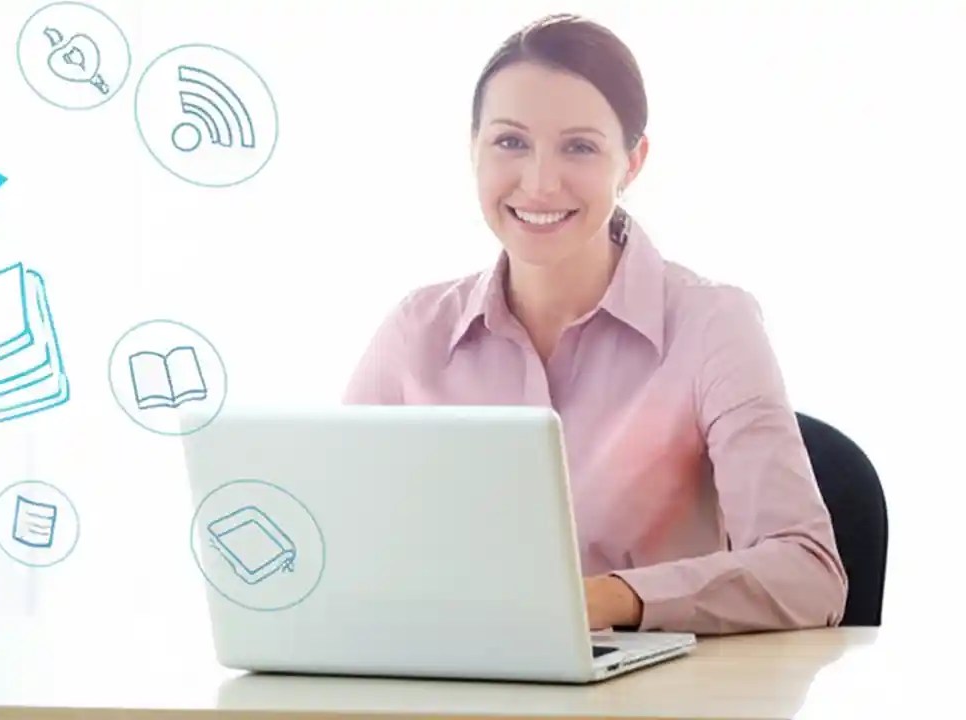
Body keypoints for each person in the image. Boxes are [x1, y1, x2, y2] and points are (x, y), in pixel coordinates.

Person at [342, 13, 848, 636]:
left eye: (579, 147)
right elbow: (331, 545)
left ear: (631, 163)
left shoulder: (713, 326)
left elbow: (809, 574)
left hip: (649, 696)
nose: (540, 182)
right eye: (510, 142)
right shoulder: (414, 335)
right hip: (452, 684)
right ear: (472, 147)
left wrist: (608, 600)